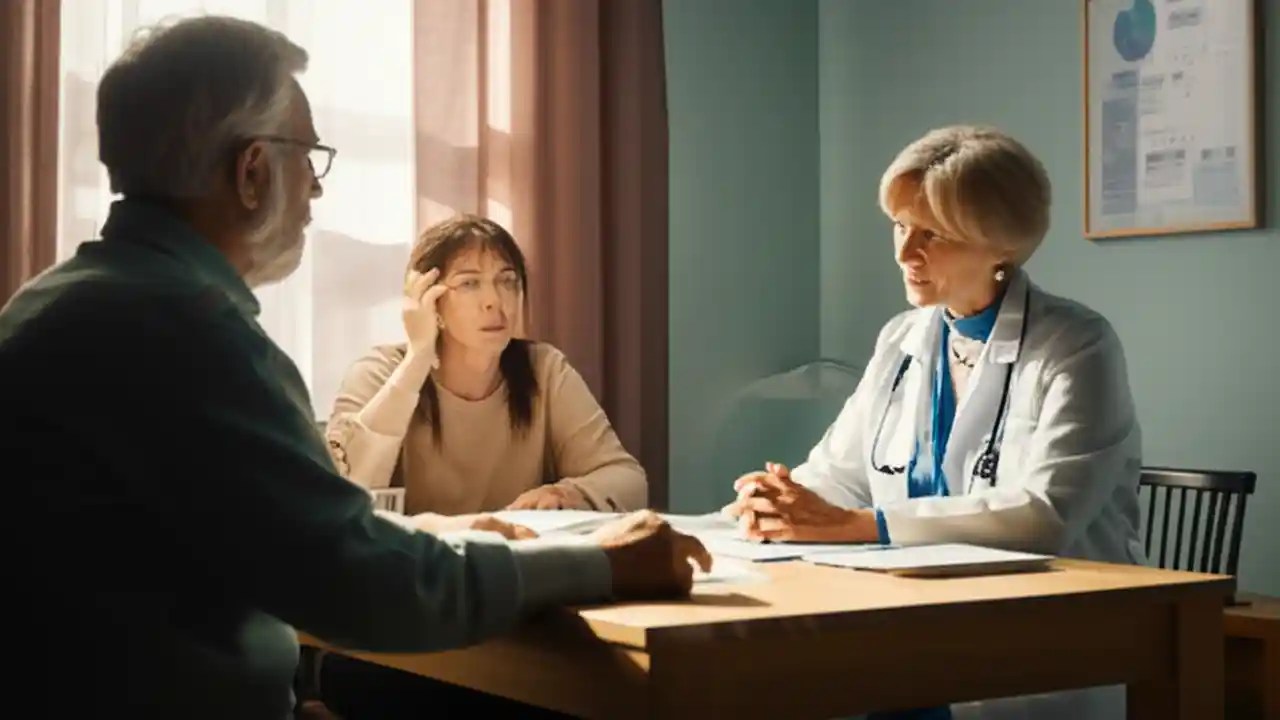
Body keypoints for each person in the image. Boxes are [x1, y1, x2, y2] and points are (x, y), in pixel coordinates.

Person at [0, 16, 709, 720]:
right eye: (308, 156)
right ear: (252, 172)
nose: (316, 188)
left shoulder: (56, 304)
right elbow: (361, 582)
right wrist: (603, 563)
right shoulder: (190, 336)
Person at [721, 126, 1142, 720]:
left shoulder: (1075, 345)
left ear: (1001, 244)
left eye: (932, 234)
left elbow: (1045, 513)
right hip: (909, 626)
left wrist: (857, 525)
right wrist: (780, 502)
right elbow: (839, 474)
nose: (904, 252)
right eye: (900, 226)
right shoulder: (903, 338)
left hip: (1037, 641)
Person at [324, 214, 647, 539]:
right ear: (429, 299)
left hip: (518, 562)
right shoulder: (379, 372)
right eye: (469, 283)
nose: (494, 301)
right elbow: (343, 495)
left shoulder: (543, 369)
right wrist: (418, 357)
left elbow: (627, 477)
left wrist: (569, 494)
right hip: (418, 564)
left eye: (507, 281)